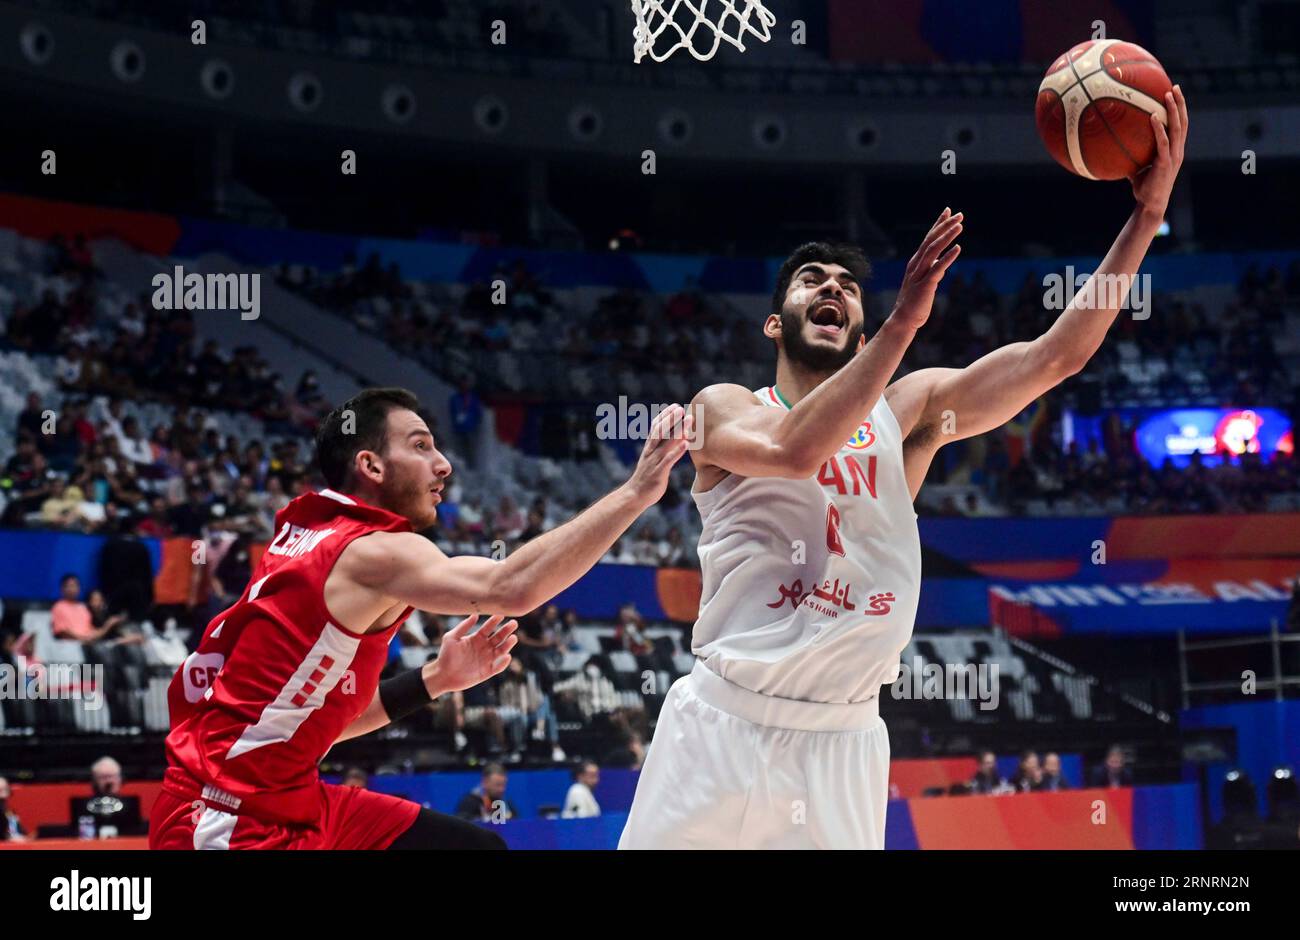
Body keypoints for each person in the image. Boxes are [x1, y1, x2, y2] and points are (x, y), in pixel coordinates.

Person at [620, 86, 1189, 849]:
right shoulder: (725, 406)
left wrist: (1146, 216)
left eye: (849, 288)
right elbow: (796, 451)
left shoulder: (908, 412)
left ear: (857, 332)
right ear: (774, 320)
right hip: (722, 722)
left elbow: (1057, 356)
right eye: (812, 279)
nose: (833, 289)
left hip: (843, 744)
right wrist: (902, 324)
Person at [149, 386, 689, 850]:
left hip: (288, 796)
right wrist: (636, 493)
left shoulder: (314, 535)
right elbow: (512, 587)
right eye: (421, 445)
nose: (444, 464)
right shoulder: (369, 552)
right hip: (224, 817)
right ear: (371, 465)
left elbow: (316, 726)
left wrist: (436, 678)